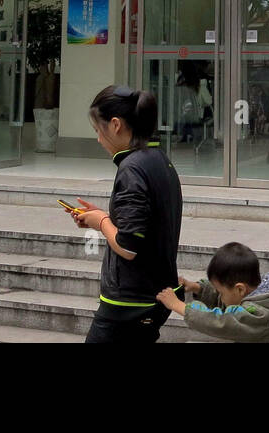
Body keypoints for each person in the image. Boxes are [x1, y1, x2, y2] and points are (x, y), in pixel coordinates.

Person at [68, 85, 184, 343]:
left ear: (116, 125)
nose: (98, 139)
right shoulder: (159, 159)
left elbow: (128, 246)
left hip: (129, 302)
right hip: (156, 292)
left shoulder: (132, 168)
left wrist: (100, 221)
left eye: (99, 130)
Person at [156, 242, 269, 343]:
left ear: (240, 288)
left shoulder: (260, 314)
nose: (220, 296)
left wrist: (178, 306)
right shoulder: (261, 297)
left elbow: (223, 321)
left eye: (220, 292)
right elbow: (232, 301)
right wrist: (198, 288)